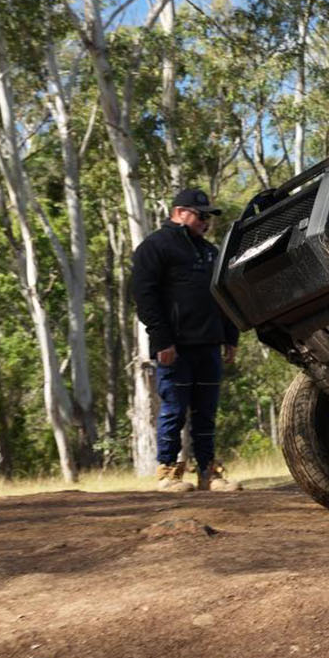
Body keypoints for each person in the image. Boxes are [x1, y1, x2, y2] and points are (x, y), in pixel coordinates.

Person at [131, 188, 242, 492]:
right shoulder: (154, 247)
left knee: (206, 412)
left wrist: (230, 336)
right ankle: (167, 472)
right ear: (180, 213)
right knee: (174, 410)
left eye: (209, 217)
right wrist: (162, 340)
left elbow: (225, 295)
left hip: (209, 345)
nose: (206, 222)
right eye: (201, 215)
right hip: (174, 348)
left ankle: (208, 472)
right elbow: (145, 296)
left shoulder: (210, 252)